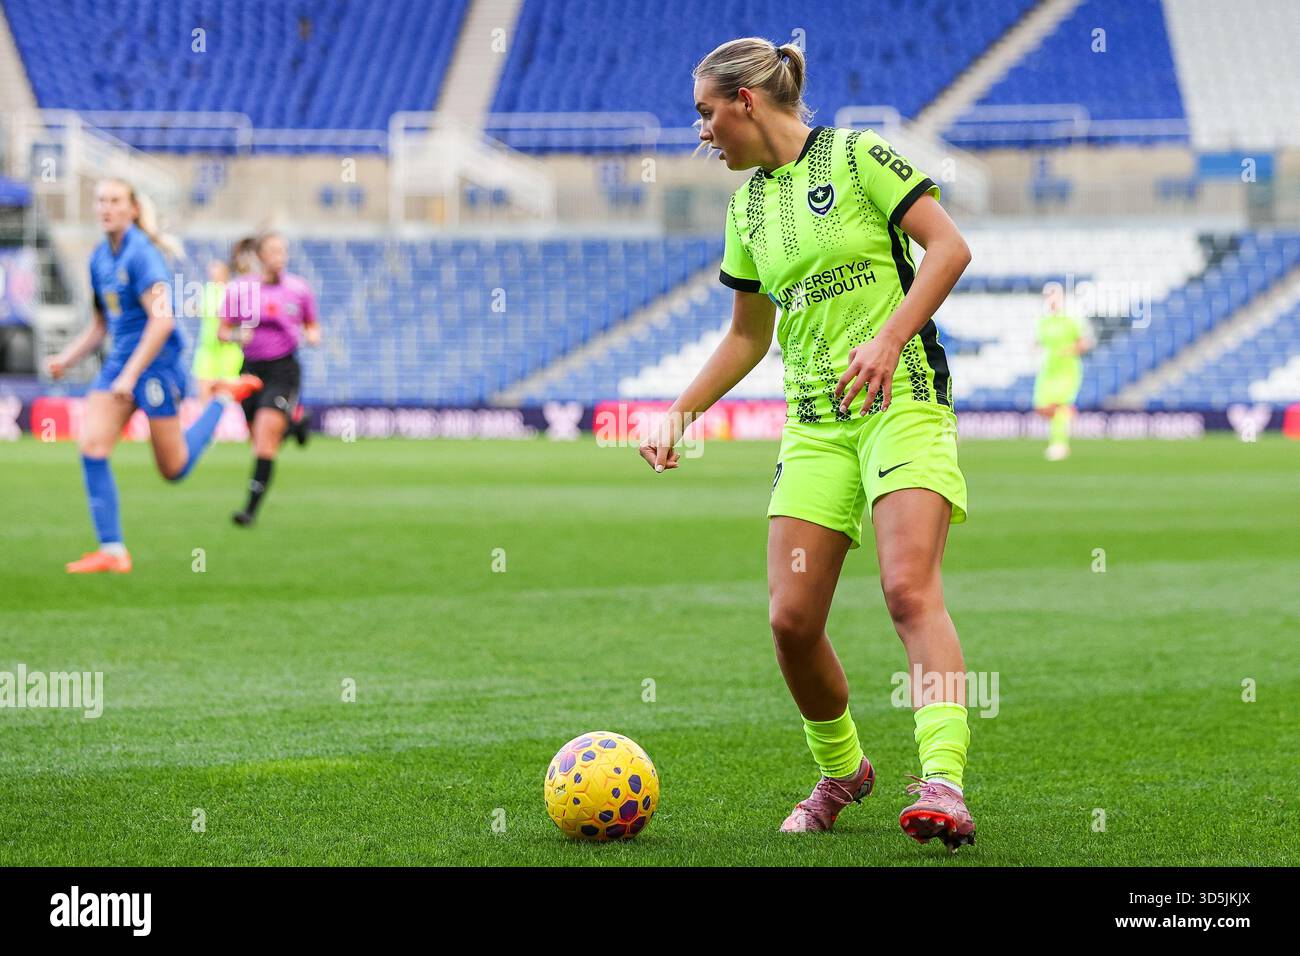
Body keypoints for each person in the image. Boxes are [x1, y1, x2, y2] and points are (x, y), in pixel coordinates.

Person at [640, 37, 977, 851]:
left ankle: (943, 781)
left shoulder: (858, 157)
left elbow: (950, 248)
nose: (701, 132)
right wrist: (681, 413)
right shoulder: (745, 209)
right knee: (791, 620)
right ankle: (844, 771)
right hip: (816, 428)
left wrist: (892, 339)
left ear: (746, 102)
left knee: (907, 589)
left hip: (902, 404)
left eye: (705, 113)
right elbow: (746, 337)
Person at [45, 178, 259, 573]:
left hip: (155, 365)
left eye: (115, 201)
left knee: (173, 469)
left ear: (132, 210)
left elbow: (162, 321)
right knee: (91, 447)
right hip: (120, 366)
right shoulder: (99, 258)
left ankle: (223, 400)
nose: (106, 207)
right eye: (101, 201)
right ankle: (113, 551)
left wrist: (131, 374)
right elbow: (100, 325)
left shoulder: (142, 256)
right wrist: (67, 358)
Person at [221, 231, 320, 526]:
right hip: (250, 370)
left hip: (283, 369)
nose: (280, 256)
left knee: (265, 442)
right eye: (274, 251)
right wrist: (239, 334)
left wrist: (310, 337)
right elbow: (223, 331)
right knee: (257, 438)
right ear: (260, 255)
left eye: (283, 251)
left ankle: (249, 510)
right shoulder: (241, 289)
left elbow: (313, 325)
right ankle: (294, 425)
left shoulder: (299, 289)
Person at [1033, 283, 1093, 460]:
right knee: (1043, 407)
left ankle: (1059, 445)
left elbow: (1085, 343)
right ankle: (1069, 417)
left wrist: (1070, 350)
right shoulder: (1043, 323)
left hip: (1067, 369)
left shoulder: (1071, 320)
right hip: (1048, 369)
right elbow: (1041, 343)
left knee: (1059, 407)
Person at [191, 257, 244, 401]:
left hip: (228, 351)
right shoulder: (208, 289)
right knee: (204, 393)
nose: (212, 273)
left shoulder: (232, 291)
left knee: (228, 396)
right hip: (208, 350)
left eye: (216, 269)